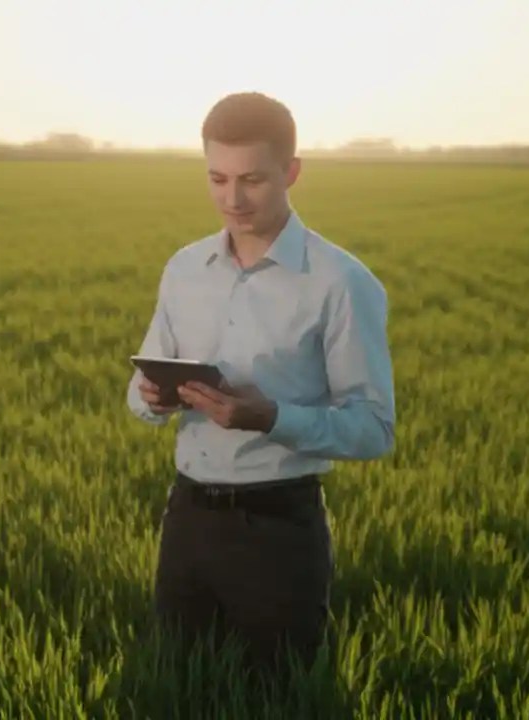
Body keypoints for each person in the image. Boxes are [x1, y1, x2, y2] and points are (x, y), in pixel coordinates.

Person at [126, 91, 396, 673]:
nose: (233, 199)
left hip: (279, 530)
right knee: (176, 684)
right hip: (186, 516)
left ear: (291, 172)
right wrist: (150, 398)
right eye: (217, 179)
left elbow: (374, 429)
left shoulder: (340, 282)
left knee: (279, 694)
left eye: (252, 180)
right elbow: (142, 380)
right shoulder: (184, 269)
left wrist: (271, 417)